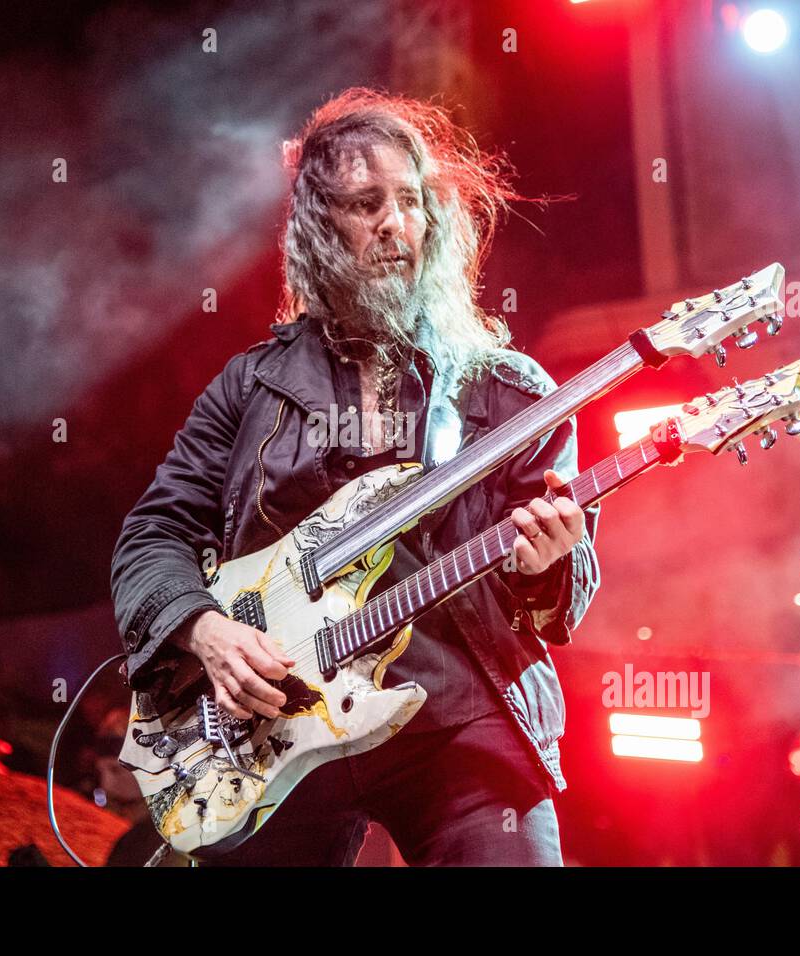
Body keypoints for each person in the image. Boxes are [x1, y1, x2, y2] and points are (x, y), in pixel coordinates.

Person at [111, 88, 599, 866]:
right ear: (318, 229)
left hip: (458, 721)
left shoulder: (509, 391)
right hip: (273, 726)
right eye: (366, 204)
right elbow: (152, 535)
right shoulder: (250, 388)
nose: (396, 225)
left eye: (410, 202)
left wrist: (547, 566)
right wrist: (207, 632)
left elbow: (557, 591)